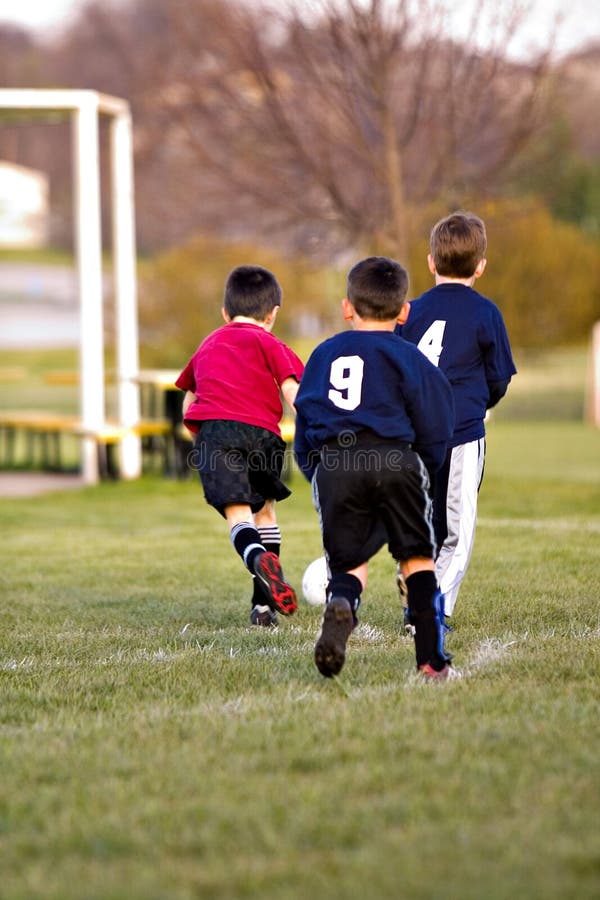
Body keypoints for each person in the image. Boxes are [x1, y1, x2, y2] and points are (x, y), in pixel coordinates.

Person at [294, 256, 456, 679]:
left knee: (349, 565)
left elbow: (305, 420)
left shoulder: (323, 354)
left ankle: (342, 604)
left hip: (336, 461)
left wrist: (319, 472)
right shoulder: (412, 358)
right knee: (417, 559)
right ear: (404, 312)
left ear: (347, 307)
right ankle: (431, 661)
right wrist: (424, 468)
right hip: (394, 457)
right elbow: (437, 425)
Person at [396, 211, 517, 618]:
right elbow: (499, 378)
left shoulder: (408, 313)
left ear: (431, 262)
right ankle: (428, 608)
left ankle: (415, 579)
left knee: (424, 520)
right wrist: (482, 404)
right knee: (457, 531)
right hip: (462, 433)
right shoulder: (486, 314)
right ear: (480, 266)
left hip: (414, 436)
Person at [175, 264, 304, 627]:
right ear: (273, 314)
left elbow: (190, 398)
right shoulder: (273, 344)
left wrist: (198, 438)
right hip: (264, 436)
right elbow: (293, 391)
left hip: (217, 434)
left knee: (239, 516)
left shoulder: (209, 343)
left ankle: (256, 559)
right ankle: (262, 608)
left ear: (224, 313)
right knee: (265, 514)